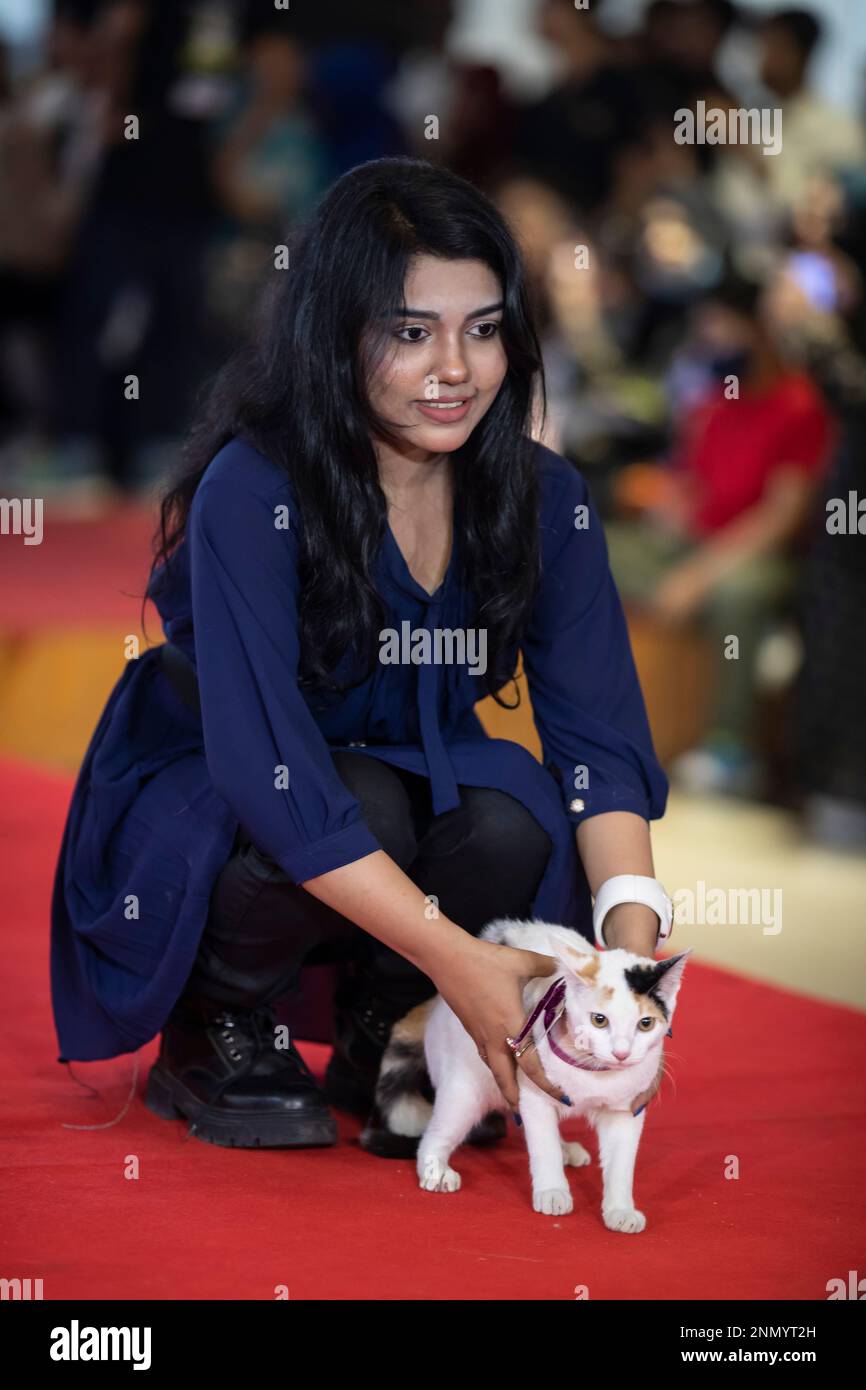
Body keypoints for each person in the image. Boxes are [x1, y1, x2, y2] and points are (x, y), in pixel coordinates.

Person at [51, 157, 671, 1153]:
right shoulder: (254, 488)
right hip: (216, 785)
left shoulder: (544, 496)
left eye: (483, 328)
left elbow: (597, 742)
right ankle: (218, 1022)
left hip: (396, 768)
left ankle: (386, 1025)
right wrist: (465, 960)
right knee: (365, 801)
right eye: (410, 332)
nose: (455, 370)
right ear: (336, 337)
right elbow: (264, 764)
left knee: (512, 818)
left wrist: (629, 975)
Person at [606, 272, 834, 794]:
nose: (710, 338)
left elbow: (780, 518)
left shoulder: (801, 405)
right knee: (591, 546)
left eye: (723, 327)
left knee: (737, 591)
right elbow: (692, 489)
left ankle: (732, 750)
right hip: (691, 544)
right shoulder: (712, 401)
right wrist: (668, 502)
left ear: (761, 331)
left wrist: (697, 578)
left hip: (758, 557)